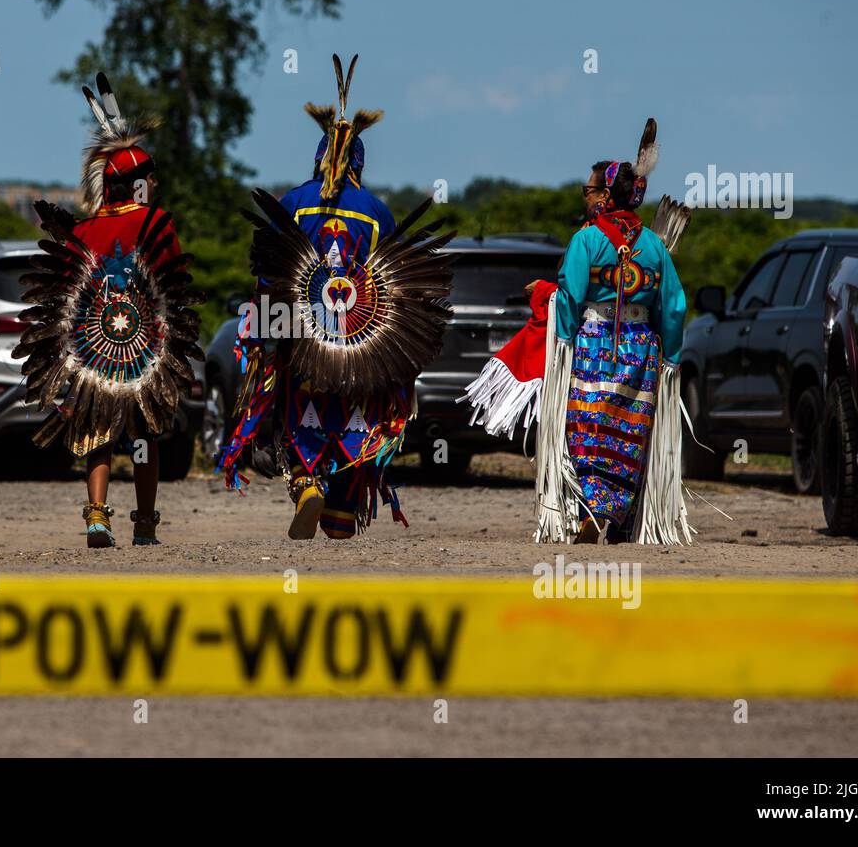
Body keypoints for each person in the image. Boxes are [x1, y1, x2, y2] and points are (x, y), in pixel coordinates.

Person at [218, 54, 453, 539]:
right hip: (359, 338)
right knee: (353, 414)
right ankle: (342, 507)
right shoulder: (375, 211)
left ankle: (305, 483)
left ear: (320, 158)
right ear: (359, 164)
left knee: (297, 410)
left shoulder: (294, 201)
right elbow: (397, 282)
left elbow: (269, 272)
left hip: (300, 333)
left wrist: (264, 330)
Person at [466, 119, 692, 544]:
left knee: (586, 427)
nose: (585, 197)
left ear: (606, 196)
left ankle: (590, 506)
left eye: (588, 191)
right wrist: (670, 357)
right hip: (640, 352)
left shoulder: (586, 239)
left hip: (591, 344)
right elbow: (674, 304)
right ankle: (615, 513)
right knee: (628, 428)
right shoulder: (655, 246)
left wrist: (564, 341)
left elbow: (570, 295)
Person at [13, 73, 203, 548]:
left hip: (92, 345)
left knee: (94, 426)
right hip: (143, 346)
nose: (155, 185)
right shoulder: (157, 221)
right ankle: (143, 523)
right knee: (145, 434)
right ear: (136, 185)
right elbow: (175, 284)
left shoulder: (82, 230)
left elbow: (60, 293)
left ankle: (97, 517)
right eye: (150, 179)